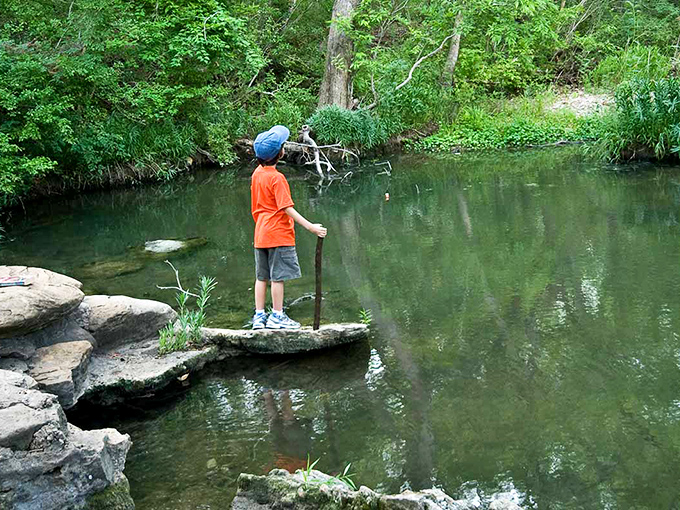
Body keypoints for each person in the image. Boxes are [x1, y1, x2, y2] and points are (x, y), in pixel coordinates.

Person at [251, 125, 327, 329]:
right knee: (278, 278)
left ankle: (259, 316)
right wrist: (311, 227)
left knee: (262, 277)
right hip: (278, 234)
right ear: (280, 153)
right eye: (282, 146)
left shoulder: (257, 174)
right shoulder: (277, 178)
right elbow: (286, 208)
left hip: (261, 234)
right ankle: (277, 316)